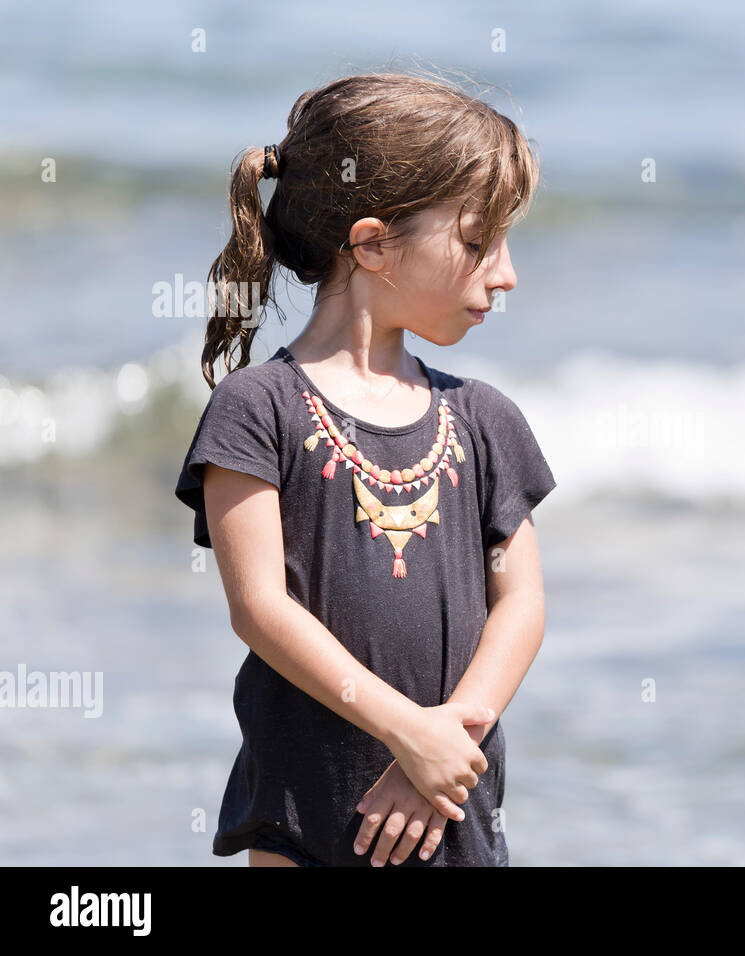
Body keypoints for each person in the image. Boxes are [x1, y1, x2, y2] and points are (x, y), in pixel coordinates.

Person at [173, 71, 556, 867]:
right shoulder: (258, 410)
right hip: (307, 814)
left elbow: (521, 603)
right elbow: (260, 610)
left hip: (453, 805)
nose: (507, 273)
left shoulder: (485, 420)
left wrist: (442, 747)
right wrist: (404, 731)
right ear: (375, 242)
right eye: (479, 241)